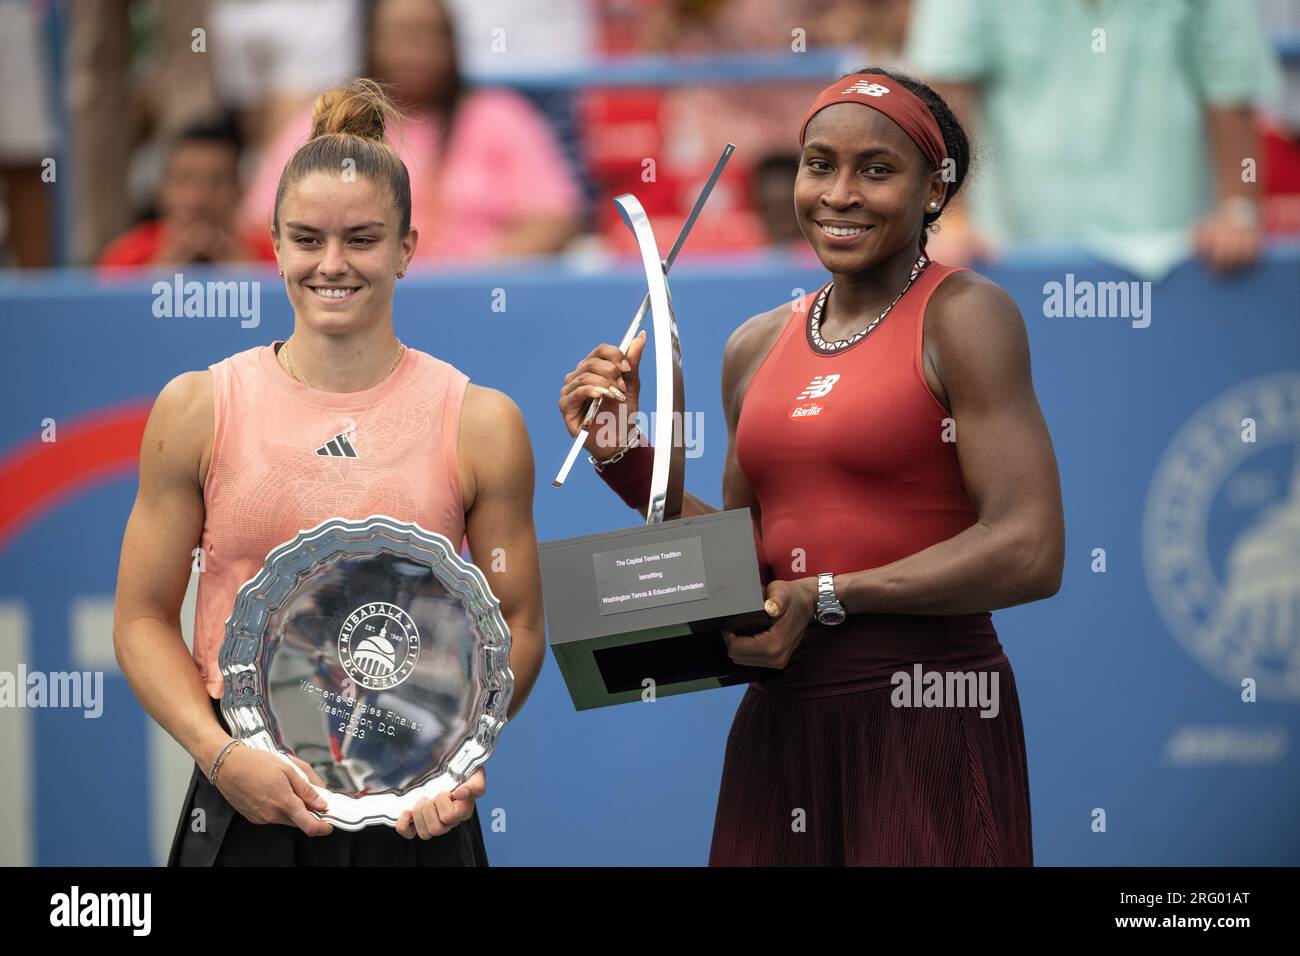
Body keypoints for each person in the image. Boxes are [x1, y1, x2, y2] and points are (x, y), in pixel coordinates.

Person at [558, 69, 1065, 866]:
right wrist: (626, 460)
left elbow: (1031, 550)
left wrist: (830, 596)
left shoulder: (968, 316)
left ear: (935, 190)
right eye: (819, 164)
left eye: (876, 169)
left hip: (928, 716)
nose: (839, 193)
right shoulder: (755, 345)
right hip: (781, 731)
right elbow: (746, 569)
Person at [113, 79, 546, 866]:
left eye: (363, 239)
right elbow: (142, 620)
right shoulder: (197, 409)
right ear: (274, 243)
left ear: (408, 247)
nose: (332, 264)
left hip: (417, 808)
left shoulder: (482, 423)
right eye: (307, 238)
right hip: (242, 797)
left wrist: (454, 755)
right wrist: (220, 757)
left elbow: (516, 625)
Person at [239, 0, 581, 263]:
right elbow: (261, 222)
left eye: (428, 35)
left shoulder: (498, 114)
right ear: (371, 43)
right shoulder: (331, 116)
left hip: (474, 303)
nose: (415, 51)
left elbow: (554, 219)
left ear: (452, 44)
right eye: (401, 35)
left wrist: (465, 279)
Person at [98, 114, 278, 270]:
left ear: (240, 190)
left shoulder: (275, 257)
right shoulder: (125, 257)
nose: (197, 198)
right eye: (183, 179)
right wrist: (157, 278)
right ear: (161, 188)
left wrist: (251, 276)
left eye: (216, 182)